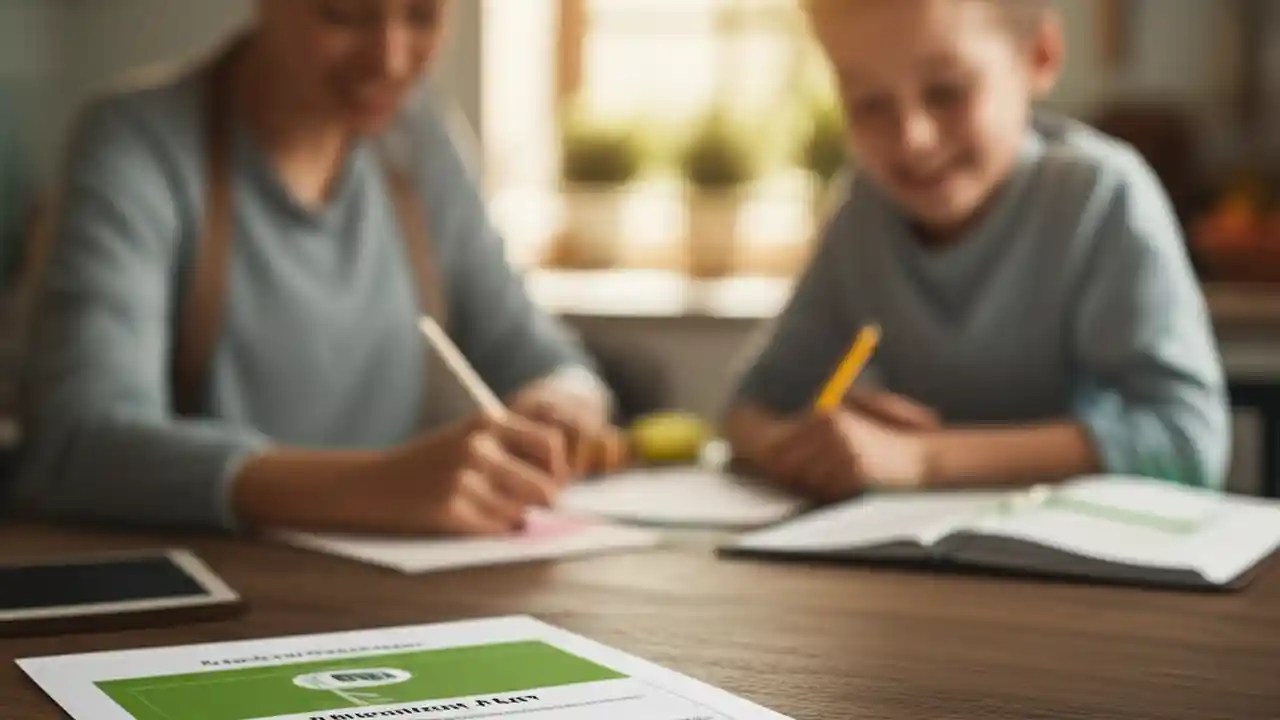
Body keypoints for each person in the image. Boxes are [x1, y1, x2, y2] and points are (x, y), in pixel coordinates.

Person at [17, 0, 625, 535]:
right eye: (342, 14)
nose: (389, 60)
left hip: (410, 602)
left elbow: (540, 354)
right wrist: (374, 488)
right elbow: (79, 443)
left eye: (423, 15)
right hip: (214, 608)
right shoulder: (136, 145)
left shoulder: (419, 139)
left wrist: (563, 400)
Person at [725, 0, 1229, 500]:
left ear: (1039, 57)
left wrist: (922, 458)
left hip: (1084, 567)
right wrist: (812, 446)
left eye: (947, 92)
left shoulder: (1099, 196)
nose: (913, 139)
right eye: (869, 103)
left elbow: (1187, 441)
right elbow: (749, 409)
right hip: (910, 564)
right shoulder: (863, 212)